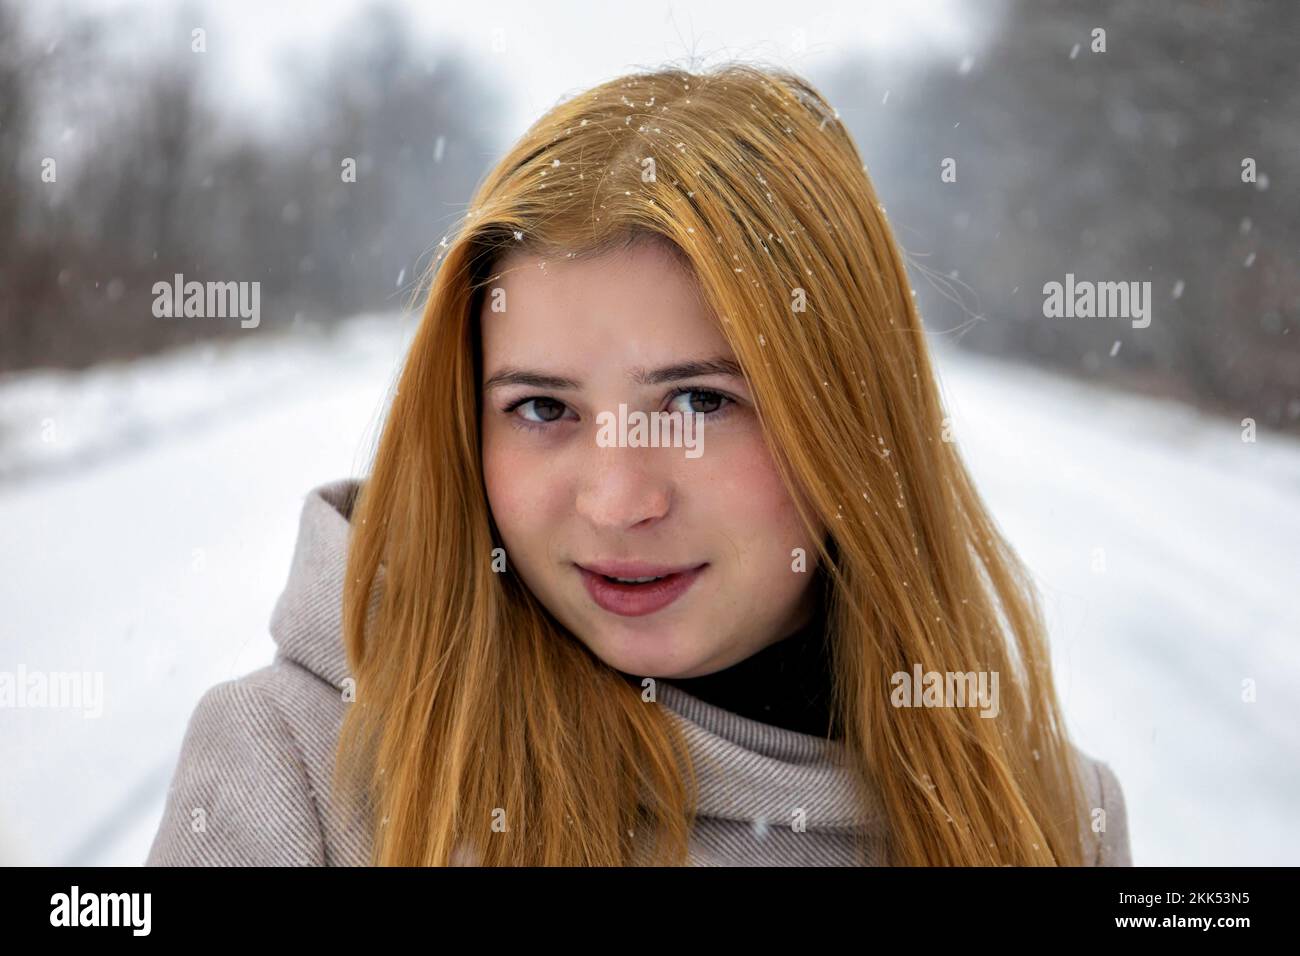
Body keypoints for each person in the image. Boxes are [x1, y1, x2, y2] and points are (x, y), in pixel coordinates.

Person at [147, 62, 1131, 867]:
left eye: (699, 402)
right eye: (541, 407)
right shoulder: (302, 771)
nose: (618, 500)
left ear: (847, 411)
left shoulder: (1044, 812)